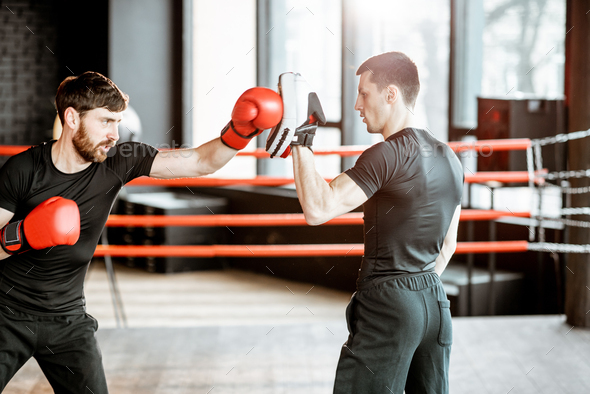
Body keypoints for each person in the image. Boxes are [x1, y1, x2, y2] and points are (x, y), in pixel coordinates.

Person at [0, 71, 283, 393]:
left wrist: (239, 132)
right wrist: (23, 235)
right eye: (106, 121)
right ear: (71, 118)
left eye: (118, 122)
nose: (114, 134)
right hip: (6, 314)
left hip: (68, 318)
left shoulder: (120, 159)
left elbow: (200, 162)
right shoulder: (23, 169)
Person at [284, 52, 464, 393]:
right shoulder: (450, 157)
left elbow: (318, 209)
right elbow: (448, 245)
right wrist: (416, 293)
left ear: (391, 94)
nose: (356, 105)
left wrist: (300, 140)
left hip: (389, 305)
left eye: (364, 93)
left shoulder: (386, 155)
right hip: (435, 303)